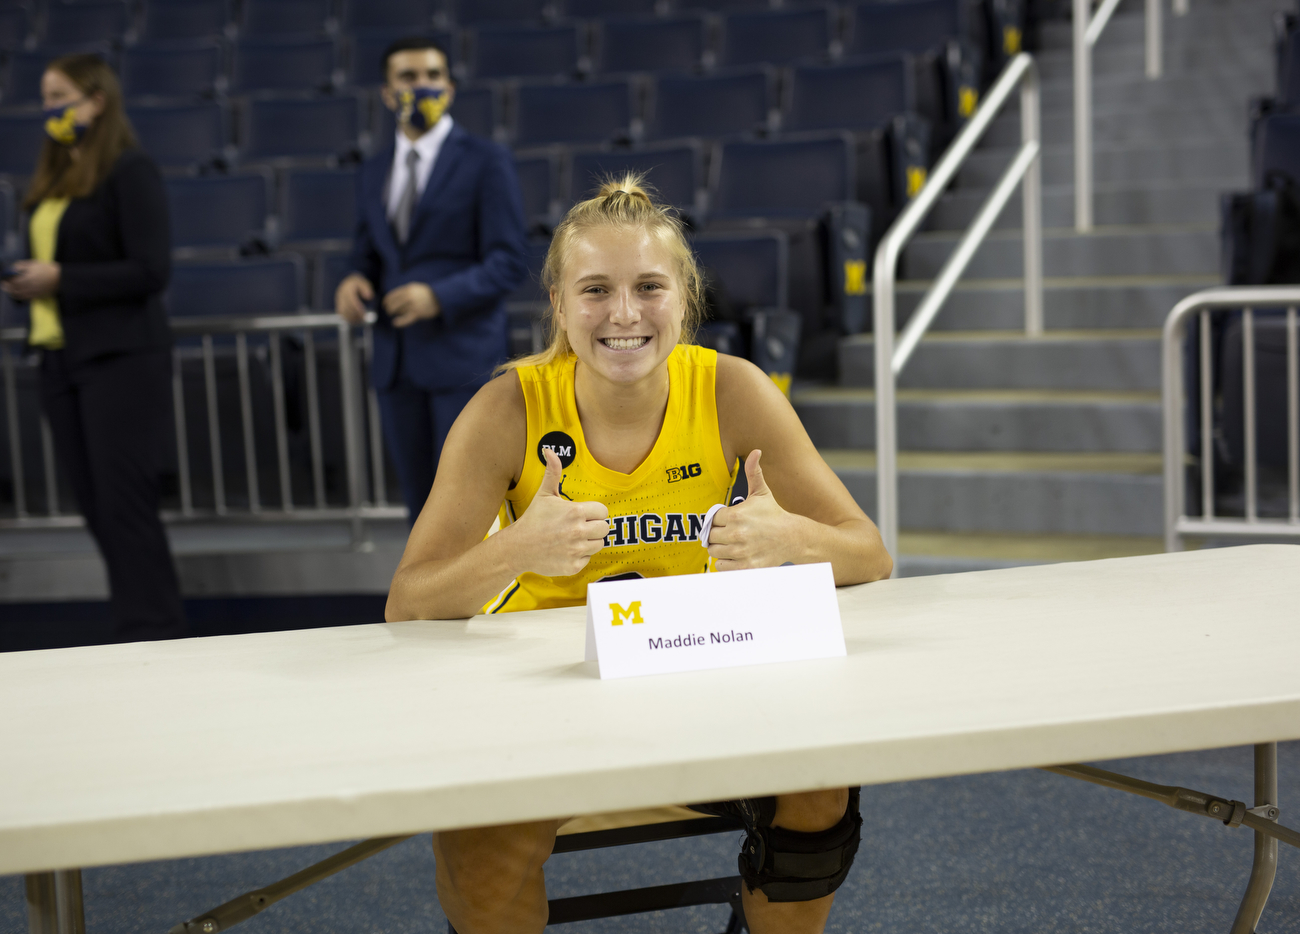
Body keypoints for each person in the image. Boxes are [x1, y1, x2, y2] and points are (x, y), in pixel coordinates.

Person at [386, 176, 893, 934]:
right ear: (558, 305)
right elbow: (410, 599)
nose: (623, 314)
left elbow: (868, 552)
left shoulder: (732, 389)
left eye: (648, 287)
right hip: (548, 692)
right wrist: (516, 549)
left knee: (822, 787)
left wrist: (790, 538)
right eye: (595, 290)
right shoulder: (506, 409)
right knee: (481, 832)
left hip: (697, 672)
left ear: (684, 300)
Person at [0, 55, 185, 641]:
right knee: (96, 507)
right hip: (61, 359)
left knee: (126, 507)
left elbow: (151, 270)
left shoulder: (130, 170)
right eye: (45, 97)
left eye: (60, 94)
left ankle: (153, 631)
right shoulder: (53, 179)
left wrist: (61, 278)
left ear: (96, 99)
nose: (50, 107)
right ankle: (139, 622)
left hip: (122, 360)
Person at [336, 36, 528, 523]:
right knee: (420, 512)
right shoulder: (373, 169)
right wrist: (353, 279)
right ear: (386, 92)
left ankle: (485, 602)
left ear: (450, 87)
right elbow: (367, 252)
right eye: (407, 77)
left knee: (472, 506)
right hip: (397, 362)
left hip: (462, 359)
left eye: (432, 76)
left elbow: (509, 260)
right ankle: (431, 602)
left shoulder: (486, 160)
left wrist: (437, 296)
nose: (420, 86)